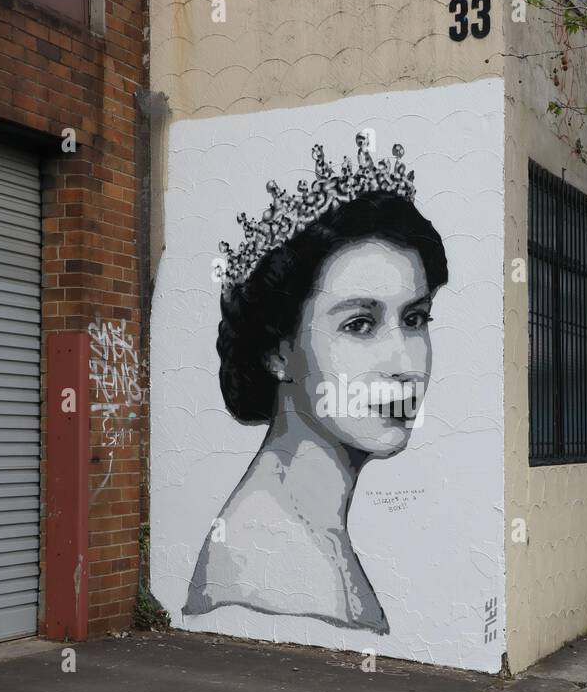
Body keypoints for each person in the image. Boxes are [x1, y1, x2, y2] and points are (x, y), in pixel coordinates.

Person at [185, 134, 448, 633]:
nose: (404, 363)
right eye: (359, 324)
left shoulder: (313, 534)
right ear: (278, 351)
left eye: (414, 318)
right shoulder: (276, 568)